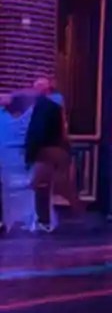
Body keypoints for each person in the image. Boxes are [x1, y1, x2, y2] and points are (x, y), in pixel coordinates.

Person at [24, 78, 82, 231]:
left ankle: (44, 221)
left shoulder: (43, 106)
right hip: (57, 150)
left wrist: (30, 152)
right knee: (48, 185)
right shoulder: (56, 105)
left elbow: (38, 131)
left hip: (47, 151)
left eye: (36, 87)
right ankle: (47, 219)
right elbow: (63, 129)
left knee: (41, 185)